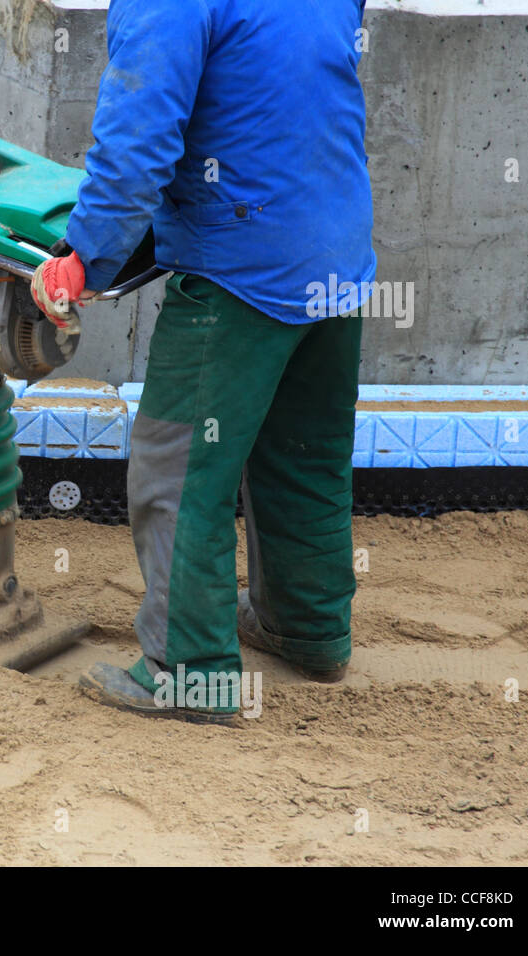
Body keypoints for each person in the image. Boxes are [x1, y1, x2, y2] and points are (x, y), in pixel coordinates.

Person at [30, 0, 375, 723]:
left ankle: (188, 671)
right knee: (304, 458)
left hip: (241, 269)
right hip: (335, 252)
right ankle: (308, 629)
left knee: (178, 470)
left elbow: (137, 141)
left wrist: (83, 258)